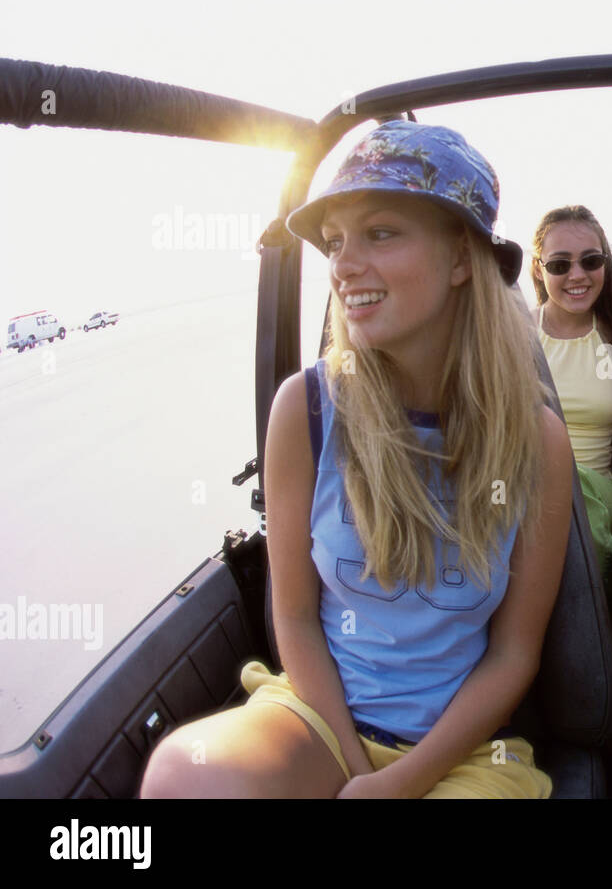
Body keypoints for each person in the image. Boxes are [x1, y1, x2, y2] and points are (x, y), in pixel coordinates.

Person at [140, 121, 572, 798]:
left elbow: (515, 652)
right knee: (181, 777)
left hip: (460, 752)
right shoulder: (305, 409)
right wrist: (350, 764)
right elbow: (296, 616)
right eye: (336, 242)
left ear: (462, 257)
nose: (342, 263)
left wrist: (401, 782)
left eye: (380, 232)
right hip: (316, 718)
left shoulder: (537, 440)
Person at [531, 205, 612, 584]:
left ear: (606, 263)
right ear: (538, 269)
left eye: (590, 261)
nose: (577, 276)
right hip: (531, 495)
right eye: (559, 265)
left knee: (573, 487)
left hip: (602, 498)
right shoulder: (516, 335)